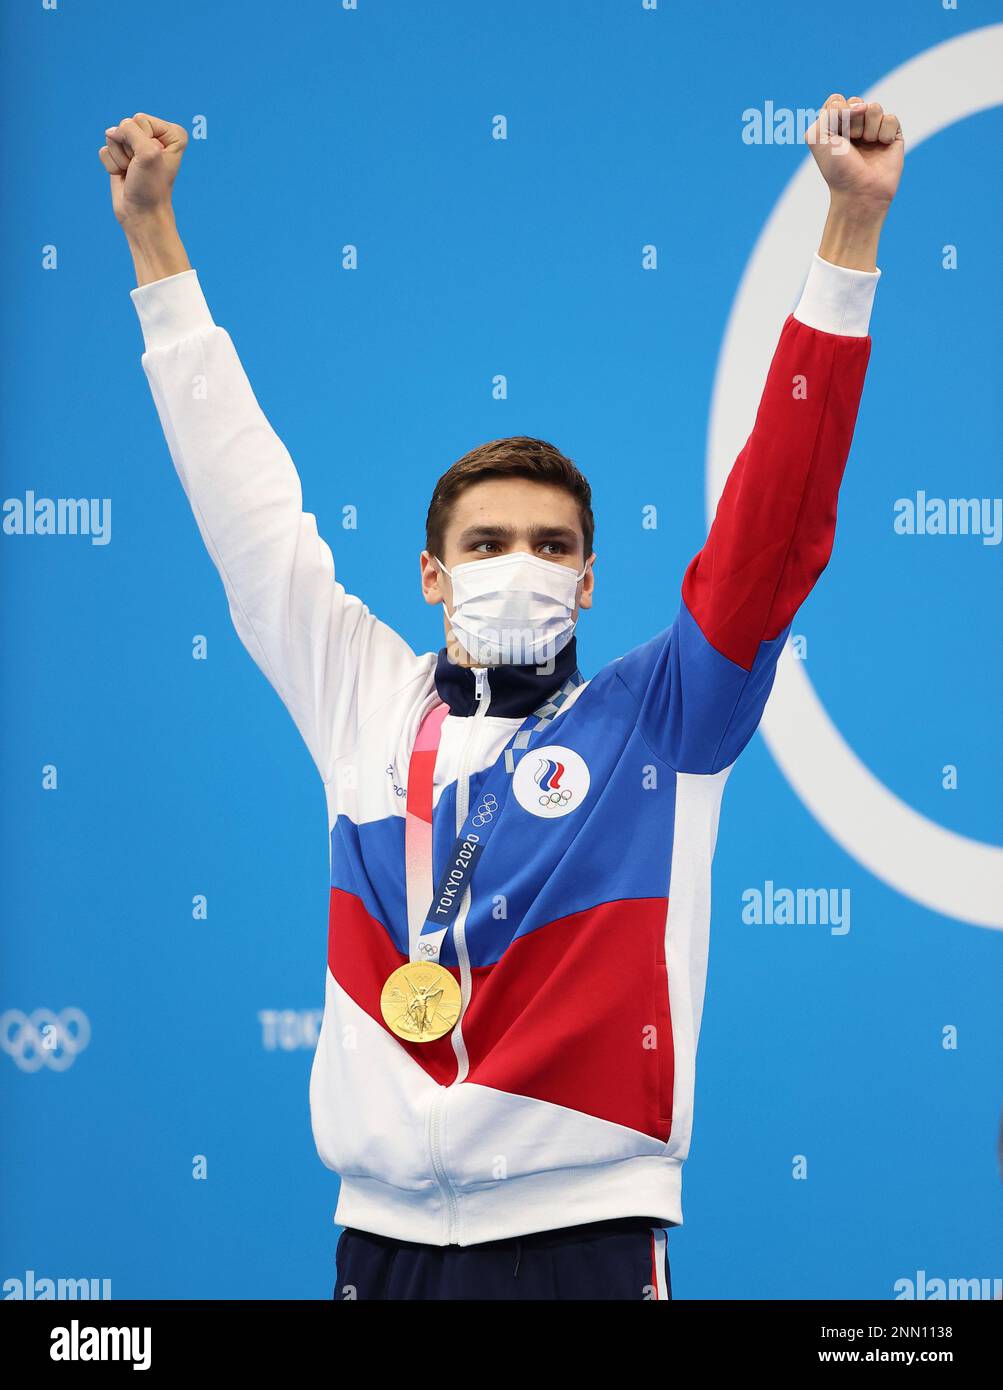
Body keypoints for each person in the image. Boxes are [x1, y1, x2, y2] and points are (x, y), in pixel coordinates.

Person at [100, 93, 903, 1300]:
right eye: (484, 543)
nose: (515, 561)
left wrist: (847, 233)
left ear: (587, 580)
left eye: (547, 542)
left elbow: (770, 533)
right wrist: (154, 244)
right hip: (379, 1247)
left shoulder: (662, 716)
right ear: (430, 575)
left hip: (580, 1240)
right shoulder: (358, 692)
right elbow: (246, 510)